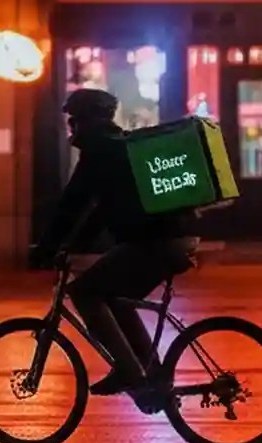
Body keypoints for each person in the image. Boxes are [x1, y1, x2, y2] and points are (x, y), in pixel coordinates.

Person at [30, 88, 198, 409]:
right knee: (115, 295)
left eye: (74, 121)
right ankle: (153, 379)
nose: (71, 129)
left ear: (87, 121)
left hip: (158, 242)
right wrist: (71, 246)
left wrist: (45, 248)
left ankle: (129, 370)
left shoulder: (99, 151)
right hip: (173, 237)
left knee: (85, 293)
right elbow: (97, 211)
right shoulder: (117, 148)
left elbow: (71, 205)